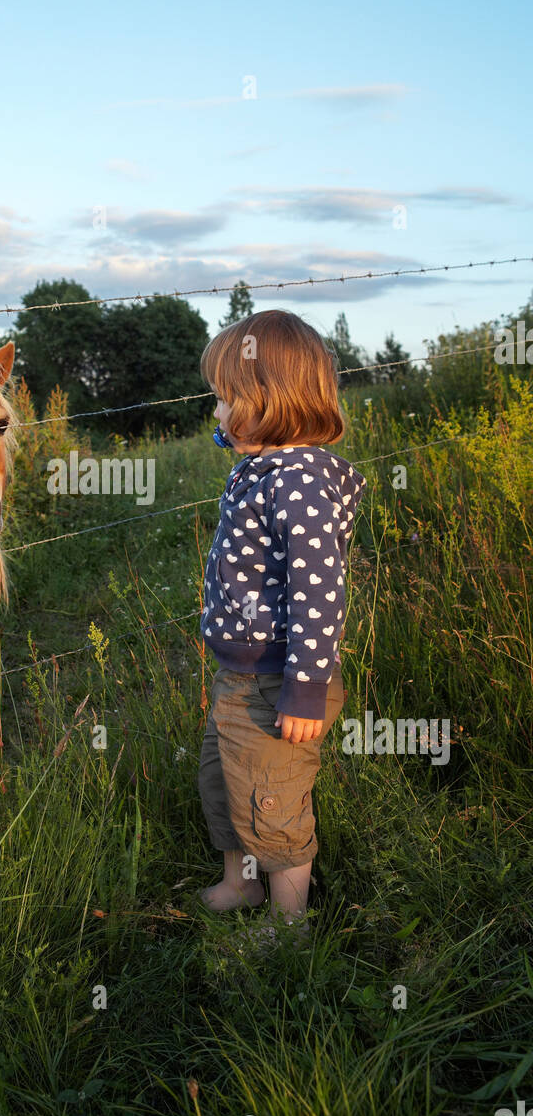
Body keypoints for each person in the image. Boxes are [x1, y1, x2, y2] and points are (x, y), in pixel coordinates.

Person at [197, 309, 366, 949]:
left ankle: (289, 925)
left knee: (274, 804)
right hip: (241, 677)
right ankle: (240, 884)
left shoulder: (299, 481)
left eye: (224, 398)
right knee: (227, 786)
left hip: (279, 685)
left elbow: (318, 595)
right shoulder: (263, 467)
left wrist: (305, 690)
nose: (216, 412)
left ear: (266, 403)